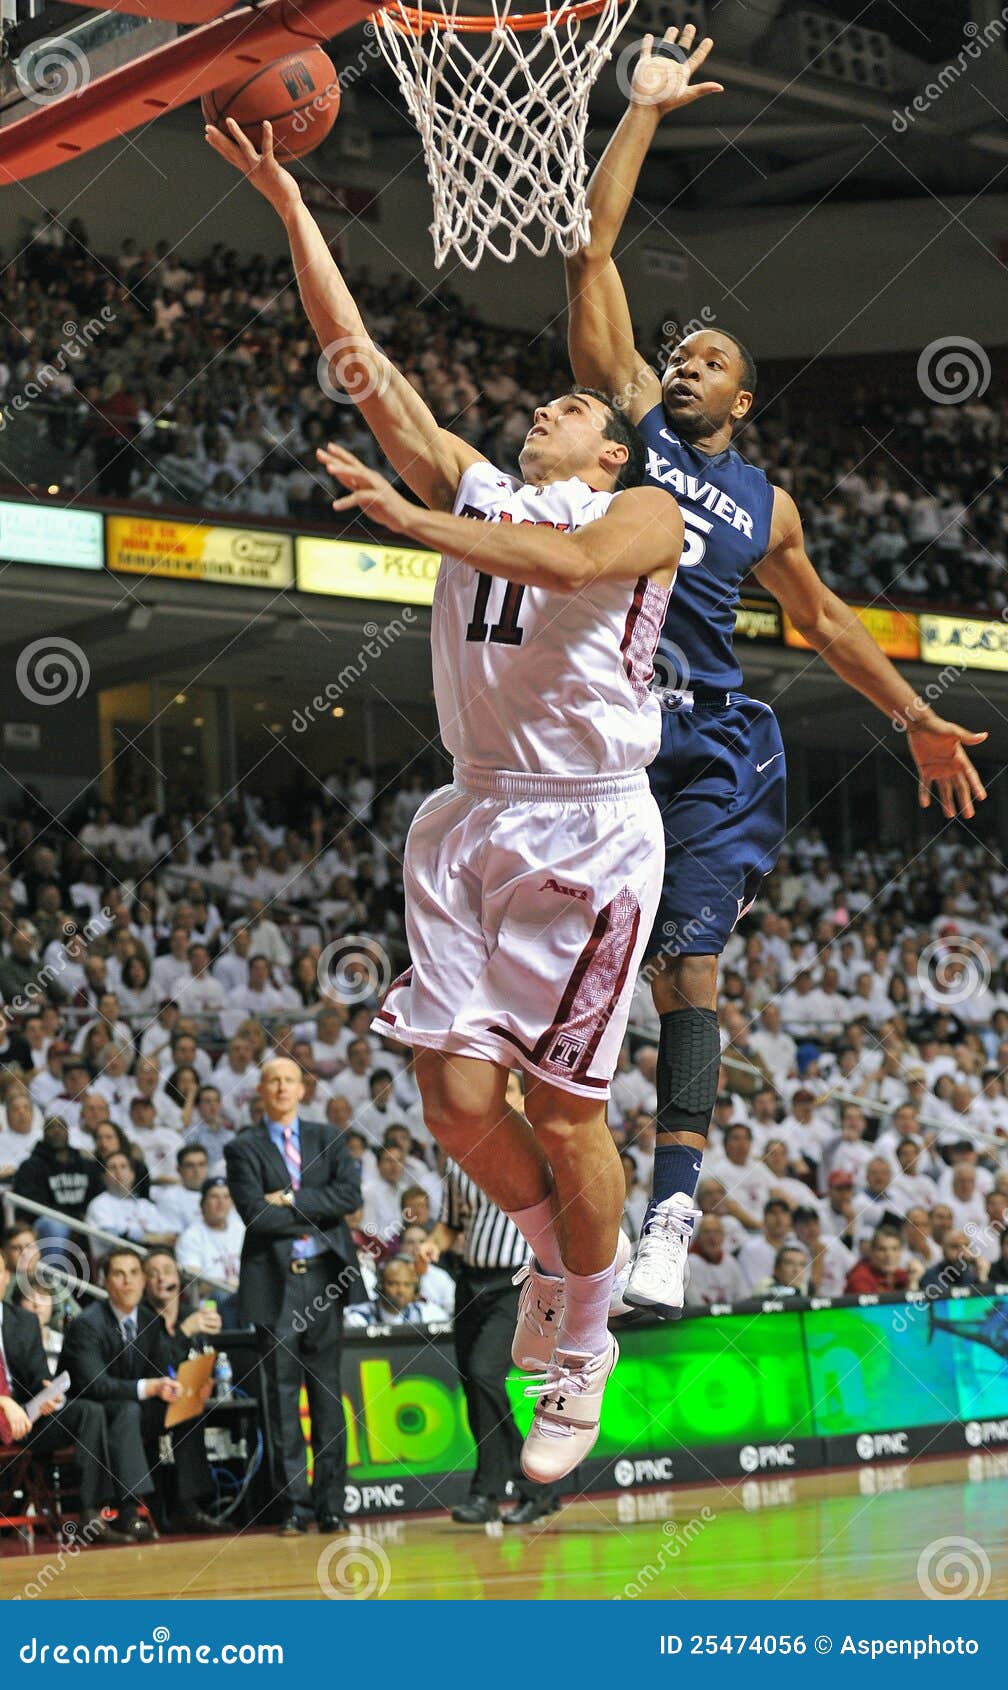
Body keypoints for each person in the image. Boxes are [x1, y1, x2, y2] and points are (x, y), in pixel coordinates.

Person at [205, 113, 682, 1488]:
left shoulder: (644, 515)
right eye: (548, 401)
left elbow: (578, 562)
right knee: (460, 1101)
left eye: (576, 407)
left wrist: (415, 523)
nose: (550, 405)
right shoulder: (483, 483)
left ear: (613, 448)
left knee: (567, 1109)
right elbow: (371, 376)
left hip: (591, 827)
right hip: (472, 814)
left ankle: (585, 1331)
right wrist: (291, 201)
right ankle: (558, 1254)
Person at [564, 21, 988, 1319]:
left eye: (710, 363)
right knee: (611, 971)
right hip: (610, 739)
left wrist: (917, 716)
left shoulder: (768, 505)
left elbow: (830, 627)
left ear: (743, 401)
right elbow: (592, 249)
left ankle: (673, 1215)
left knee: (695, 969)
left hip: (718, 752)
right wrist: (639, 111)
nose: (685, 362)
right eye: (681, 353)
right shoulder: (633, 423)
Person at [224, 1058, 362, 1538]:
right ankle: (295, 1508)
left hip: (326, 1278)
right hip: (275, 1284)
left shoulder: (329, 1137)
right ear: (260, 1090)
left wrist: (290, 1200)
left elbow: (349, 1196)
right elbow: (254, 1216)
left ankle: (331, 1506)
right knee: (280, 1401)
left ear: (302, 1088)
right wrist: (308, 1208)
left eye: (289, 1080)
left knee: (327, 1397)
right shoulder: (242, 1147)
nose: (281, 1087)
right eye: (272, 1080)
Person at [424, 1157, 562, 1525]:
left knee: (483, 1371)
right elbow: (451, 1225)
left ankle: (532, 1483)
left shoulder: (537, 1154)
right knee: (474, 1387)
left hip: (518, 1282)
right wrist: (431, 1246)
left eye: (512, 1093)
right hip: (469, 1281)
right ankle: (487, 1493)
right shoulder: (458, 1160)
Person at [60, 1247, 216, 1538]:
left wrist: (178, 1385)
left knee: (186, 1406)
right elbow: (97, 1385)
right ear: (105, 1281)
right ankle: (128, 1511)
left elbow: (164, 1364)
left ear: (143, 1281)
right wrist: (150, 1386)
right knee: (127, 1410)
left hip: (131, 1407)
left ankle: (187, 1506)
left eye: (134, 1273)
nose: (128, 1281)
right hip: (91, 1412)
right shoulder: (87, 1324)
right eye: (119, 1274)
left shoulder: (148, 1319)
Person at [0, 1249, 137, 1546]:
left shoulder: (22, 1320)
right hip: (3, 1413)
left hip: (27, 1417)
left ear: (6, 1278)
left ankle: (91, 1513)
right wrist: (4, 1402)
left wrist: (47, 1393)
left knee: (89, 1411)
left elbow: (36, 1375)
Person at [176, 1177, 245, 1306]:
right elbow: (194, 1287)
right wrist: (224, 1283)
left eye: (226, 1197)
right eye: (214, 1197)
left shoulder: (240, 1228)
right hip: (211, 1303)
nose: (221, 1202)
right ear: (203, 1203)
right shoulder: (191, 1236)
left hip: (244, 1295)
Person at [344, 1255, 449, 1328]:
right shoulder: (358, 1317)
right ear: (380, 1286)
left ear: (416, 1289)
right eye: (393, 1284)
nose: (401, 1290)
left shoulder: (428, 1314)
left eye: (407, 1284)